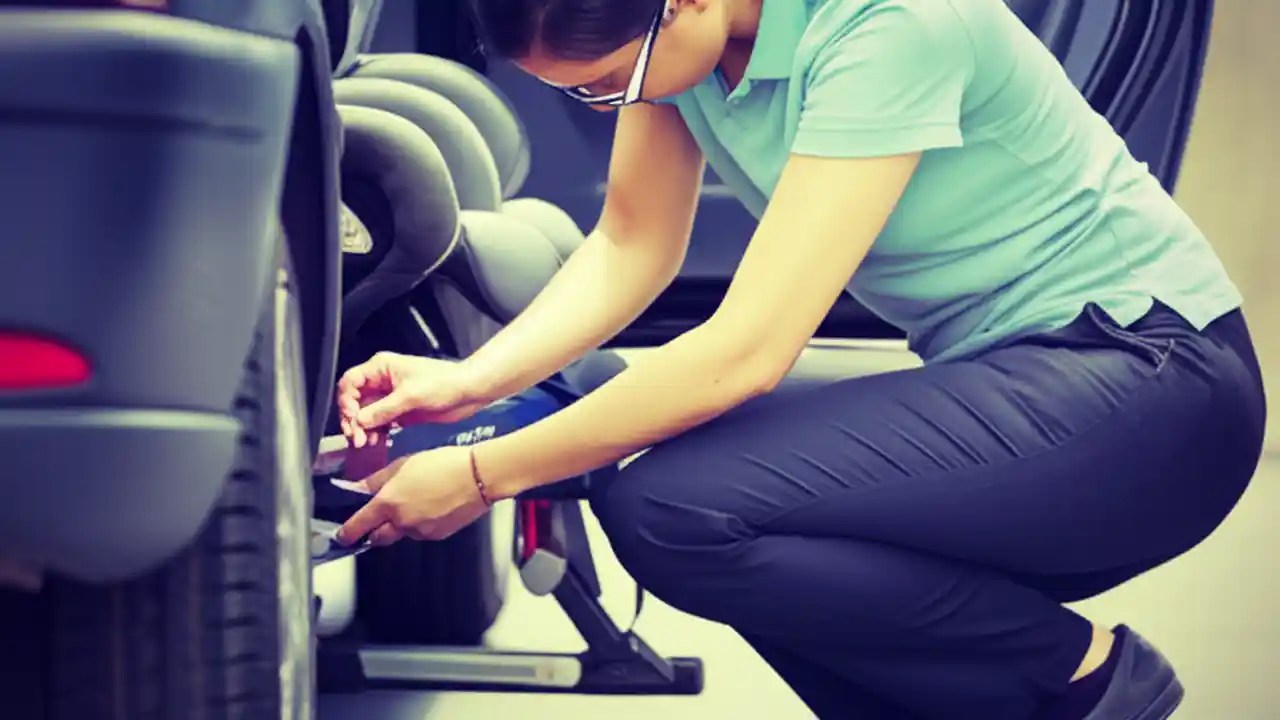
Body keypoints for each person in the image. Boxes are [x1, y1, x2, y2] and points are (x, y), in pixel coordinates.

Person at [333, 0, 1267, 717]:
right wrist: (468, 382)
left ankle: (1082, 676)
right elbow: (629, 242)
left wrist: (481, 476)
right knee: (643, 463)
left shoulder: (884, 27)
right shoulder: (688, 55)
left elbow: (744, 355)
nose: (611, 102)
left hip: (1149, 387)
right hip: (1016, 382)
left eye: (607, 83)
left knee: (674, 507)